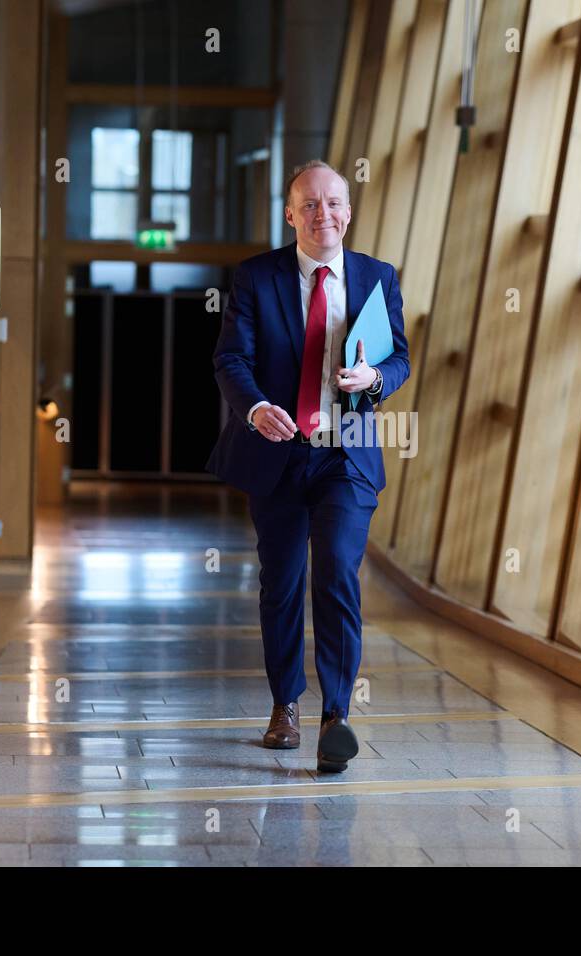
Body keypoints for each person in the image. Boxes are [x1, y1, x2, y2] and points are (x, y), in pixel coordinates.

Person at [206, 159, 409, 772]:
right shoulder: (257, 277)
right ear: (291, 214)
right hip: (280, 452)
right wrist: (257, 407)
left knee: (338, 577)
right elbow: (230, 359)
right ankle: (285, 704)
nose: (325, 215)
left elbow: (399, 355)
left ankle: (336, 716)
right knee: (283, 582)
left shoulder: (378, 276)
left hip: (346, 451)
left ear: (349, 211)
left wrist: (375, 378)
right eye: (310, 205)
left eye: (335, 203)